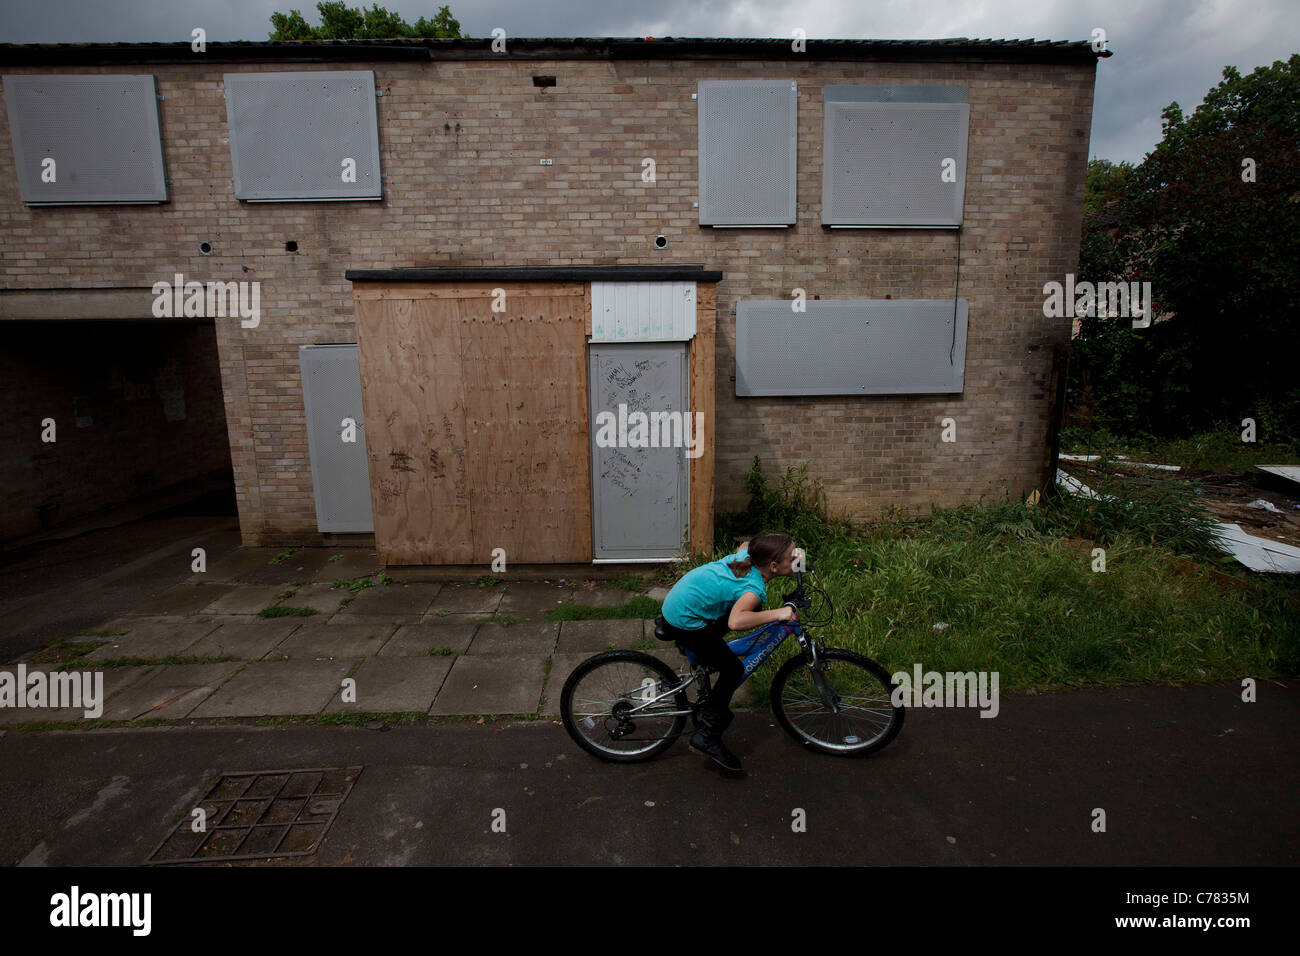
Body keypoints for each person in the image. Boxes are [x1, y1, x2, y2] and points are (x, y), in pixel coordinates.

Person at [656, 531, 800, 773]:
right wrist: (779, 613)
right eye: (792, 557)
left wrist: (800, 562)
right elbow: (736, 622)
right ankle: (707, 736)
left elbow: (746, 543)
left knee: (743, 614)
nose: (797, 558)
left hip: (679, 601)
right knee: (734, 669)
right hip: (684, 620)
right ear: (773, 566)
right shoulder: (753, 589)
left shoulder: (747, 555)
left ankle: (696, 650)